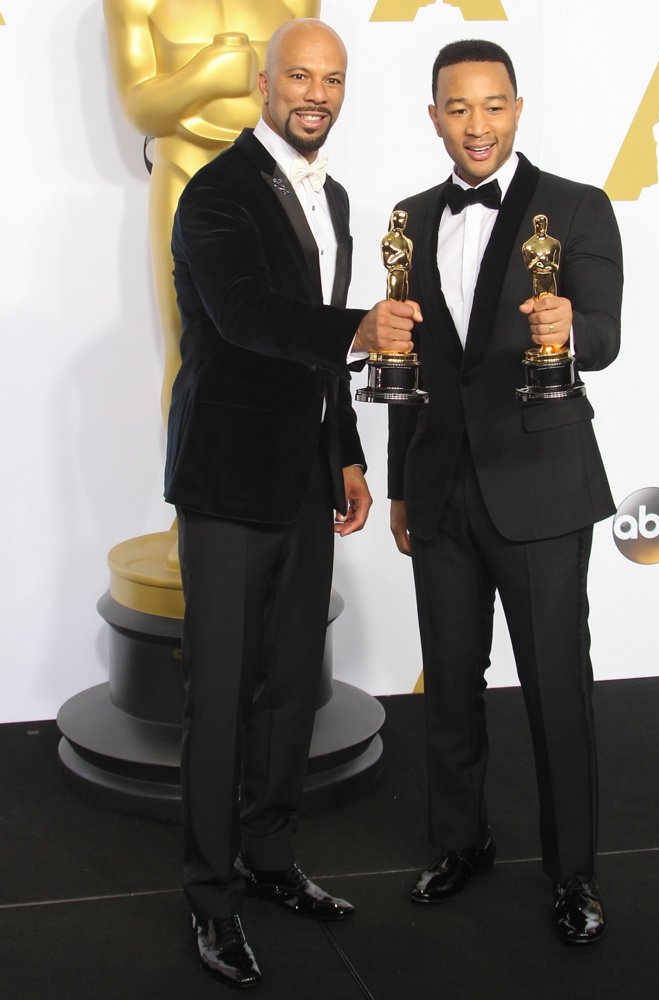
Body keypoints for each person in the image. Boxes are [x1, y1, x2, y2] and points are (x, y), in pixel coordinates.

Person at [165, 18, 420, 989]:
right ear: (263, 82)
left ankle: (271, 862)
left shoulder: (340, 196)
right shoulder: (216, 194)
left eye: (333, 81)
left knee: (285, 694)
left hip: (303, 482)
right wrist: (360, 324)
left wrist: (345, 452)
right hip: (226, 486)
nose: (316, 94)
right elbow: (247, 320)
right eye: (300, 77)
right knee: (221, 700)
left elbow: (313, 355)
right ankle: (210, 900)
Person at [387, 40, 623, 945]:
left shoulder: (575, 207)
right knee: (449, 685)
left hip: (541, 491)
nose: (475, 125)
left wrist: (572, 326)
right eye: (457, 107)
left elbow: (603, 331)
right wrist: (406, 482)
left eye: (492, 106)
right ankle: (461, 843)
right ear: (435, 114)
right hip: (442, 492)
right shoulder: (408, 218)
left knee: (556, 689)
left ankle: (574, 875)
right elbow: (409, 359)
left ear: (517, 108)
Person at [103, 0, 321, 418]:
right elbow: (139, 107)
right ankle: (187, 483)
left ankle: (295, 478)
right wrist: (204, 76)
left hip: (275, 177)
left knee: (295, 338)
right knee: (190, 344)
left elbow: (306, 92)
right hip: (184, 170)